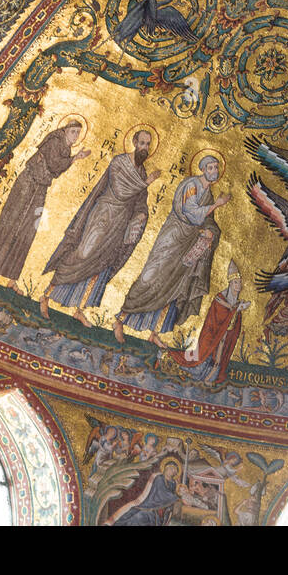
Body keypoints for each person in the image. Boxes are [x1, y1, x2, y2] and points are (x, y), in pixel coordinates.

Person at [41, 129, 159, 324]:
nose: (144, 148)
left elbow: (139, 200)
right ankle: (47, 294)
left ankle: (80, 308)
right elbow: (121, 192)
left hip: (120, 224)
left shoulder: (142, 171)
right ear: (134, 142)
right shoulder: (119, 163)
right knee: (83, 253)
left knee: (103, 262)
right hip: (104, 215)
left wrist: (141, 214)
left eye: (148, 145)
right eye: (142, 143)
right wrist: (146, 182)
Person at [115, 156, 230, 345]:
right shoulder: (191, 185)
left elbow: (207, 220)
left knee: (175, 285)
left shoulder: (208, 194)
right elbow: (191, 214)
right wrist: (217, 204)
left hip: (189, 243)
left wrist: (210, 231)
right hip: (173, 237)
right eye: (210, 167)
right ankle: (120, 320)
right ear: (203, 169)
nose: (214, 170)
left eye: (216, 167)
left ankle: (155, 332)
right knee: (150, 276)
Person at [0, 120, 89, 289]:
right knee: (9, 223)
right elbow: (54, 164)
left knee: (28, 230)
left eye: (78, 133)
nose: (75, 136)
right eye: (73, 131)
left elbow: (55, 169)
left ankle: (12, 279)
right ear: (65, 129)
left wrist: (73, 157)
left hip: (40, 189)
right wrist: (74, 158)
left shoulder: (66, 149)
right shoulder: (55, 141)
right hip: (28, 183)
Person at [163, 260, 250, 385]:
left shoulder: (235, 303)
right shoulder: (221, 299)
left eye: (240, 283)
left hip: (224, 339)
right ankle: (171, 357)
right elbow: (219, 313)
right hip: (212, 337)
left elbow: (234, 322)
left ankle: (207, 377)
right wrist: (235, 309)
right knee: (198, 364)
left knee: (216, 369)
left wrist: (237, 309)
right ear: (230, 284)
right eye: (236, 283)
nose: (239, 286)